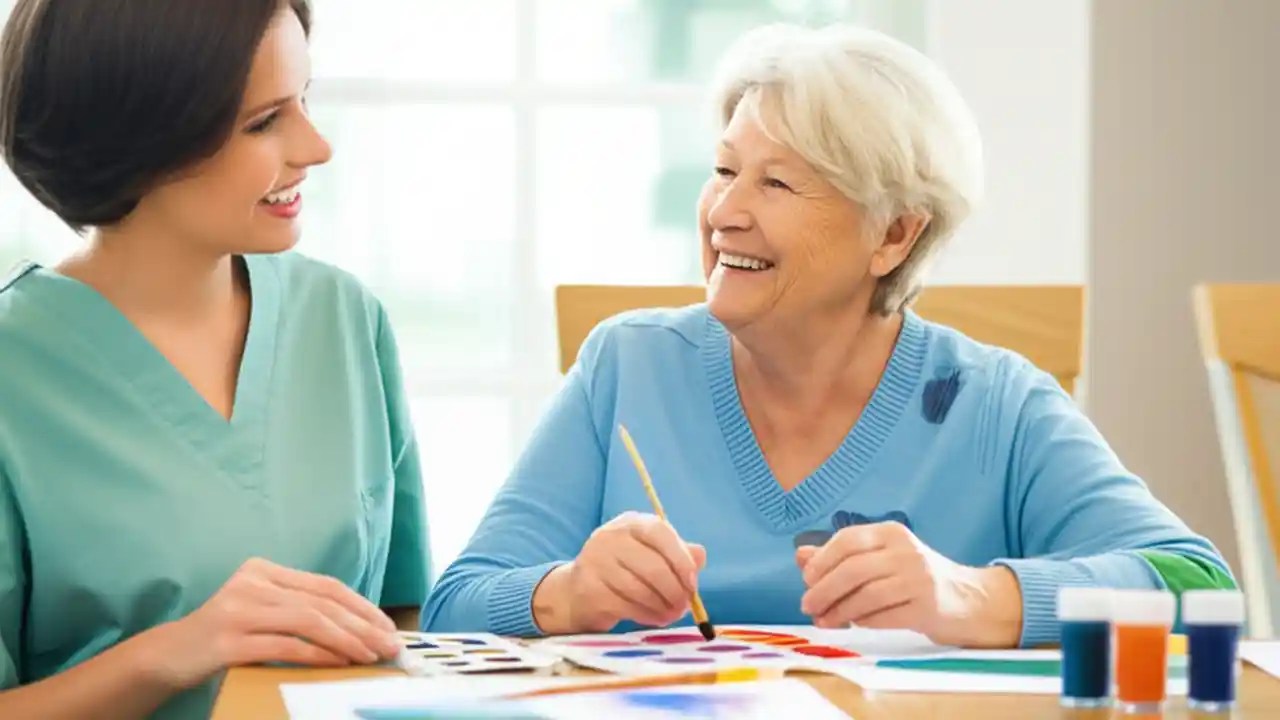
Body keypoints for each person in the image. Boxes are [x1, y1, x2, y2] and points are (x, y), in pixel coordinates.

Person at [422, 23, 1234, 647]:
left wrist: (971, 596)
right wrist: (563, 593)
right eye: (723, 168)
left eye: (776, 182)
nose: (725, 211)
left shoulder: (994, 402)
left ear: (894, 236)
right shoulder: (625, 366)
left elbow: (1200, 584)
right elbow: (454, 603)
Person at [0, 1, 430, 717]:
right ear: (139, 135)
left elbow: (405, 618)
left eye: (304, 101)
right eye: (264, 122)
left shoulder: (345, 319)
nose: (315, 147)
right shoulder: (16, 372)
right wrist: (175, 650)